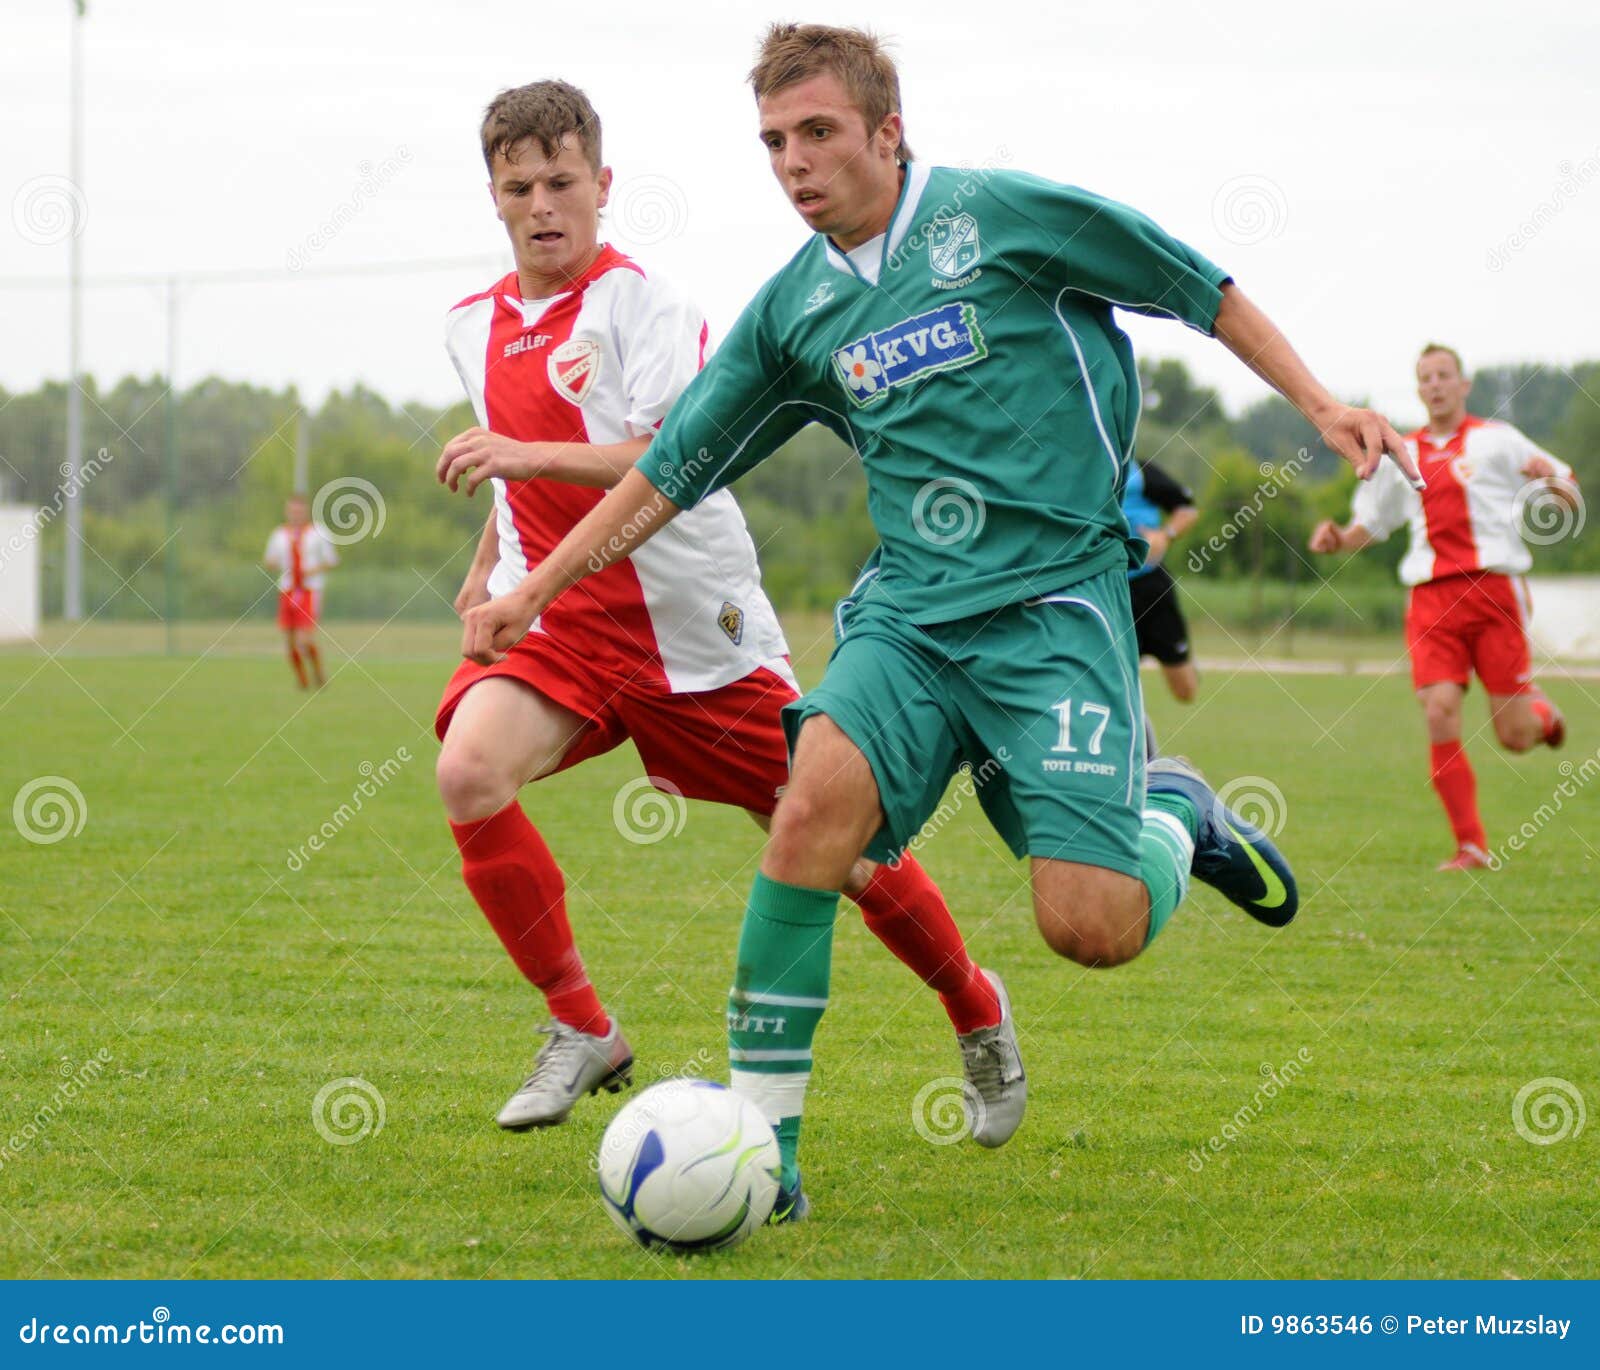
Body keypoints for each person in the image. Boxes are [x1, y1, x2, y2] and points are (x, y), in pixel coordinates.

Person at [459, 26, 1421, 1218]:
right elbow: (666, 470)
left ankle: (1175, 814)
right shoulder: (794, 313)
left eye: (817, 133)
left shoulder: (1001, 217)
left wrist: (1323, 403)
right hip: (909, 613)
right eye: (772, 142)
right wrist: (527, 592)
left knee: (1092, 926)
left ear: (886, 130)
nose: (794, 163)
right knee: (810, 809)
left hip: (1055, 607)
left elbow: (1192, 282)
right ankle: (767, 1155)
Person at [432, 80, 1019, 1157]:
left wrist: (519, 462)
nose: (543, 204)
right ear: (494, 198)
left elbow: (676, 463)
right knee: (468, 771)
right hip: (563, 628)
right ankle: (582, 1024)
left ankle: (975, 1005)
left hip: (697, 631)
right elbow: (513, 473)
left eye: (562, 182)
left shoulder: (643, 308)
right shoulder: (471, 326)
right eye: (519, 187)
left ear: (602, 187)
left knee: (838, 847)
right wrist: (487, 572)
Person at [1309, 343, 1576, 870]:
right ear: (1419, 388)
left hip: (1495, 592)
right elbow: (1375, 522)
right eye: (1425, 377)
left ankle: (1541, 715)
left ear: (1463, 384)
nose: (1434, 384)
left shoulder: (1496, 441)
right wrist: (1340, 538)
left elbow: (1562, 481)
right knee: (1439, 710)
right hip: (1432, 598)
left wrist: (1559, 486)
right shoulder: (1397, 452)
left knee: (1515, 737)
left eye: (1443, 375)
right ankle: (1471, 845)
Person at [1123, 460, 1201, 705]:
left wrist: (1165, 535)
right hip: (1106, 590)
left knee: (1185, 690)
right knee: (1114, 681)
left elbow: (1187, 509)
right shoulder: (1078, 470)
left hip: (1150, 587)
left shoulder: (1139, 471)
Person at [263, 493, 336, 689]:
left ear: (305, 511)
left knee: (304, 639)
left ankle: (318, 673)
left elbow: (331, 560)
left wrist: (312, 569)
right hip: (287, 589)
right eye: (292, 510)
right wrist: (277, 563)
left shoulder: (318, 532)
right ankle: (302, 680)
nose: (295, 514)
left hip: (309, 590)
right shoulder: (279, 534)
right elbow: (269, 561)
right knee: (290, 641)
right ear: (287, 511)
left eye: (299, 510)